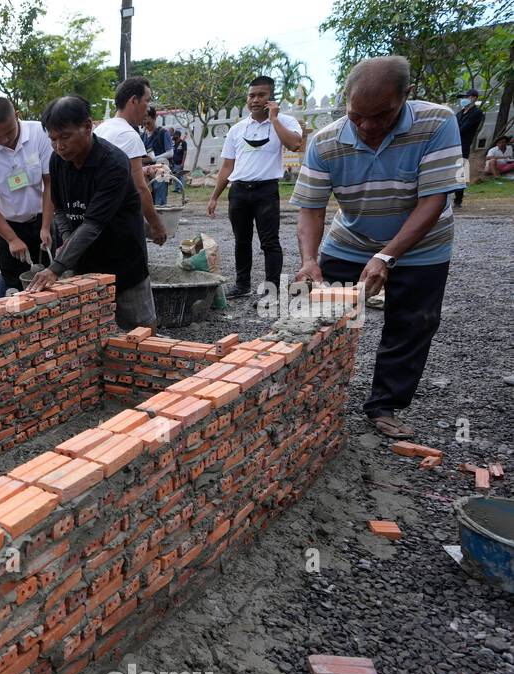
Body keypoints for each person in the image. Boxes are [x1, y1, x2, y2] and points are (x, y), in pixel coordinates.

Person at [293, 56, 463, 439]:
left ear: (405, 97)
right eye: (357, 116)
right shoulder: (325, 142)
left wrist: (387, 256)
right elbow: (311, 209)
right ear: (346, 102)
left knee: (411, 324)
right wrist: (309, 259)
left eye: (381, 115)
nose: (368, 126)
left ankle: (384, 405)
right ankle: (315, 393)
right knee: (325, 317)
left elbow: (434, 200)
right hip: (350, 242)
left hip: (423, 247)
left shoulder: (438, 122)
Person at [27, 96, 155, 331]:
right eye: (53, 139)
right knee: (90, 328)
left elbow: (93, 225)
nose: (59, 146)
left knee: (140, 330)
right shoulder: (57, 161)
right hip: (84, 260)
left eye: (65, 137)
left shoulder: (113, 163)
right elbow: (60, 209)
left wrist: (56, 267)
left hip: (122, 258)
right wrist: (67, 240)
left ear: (87, 127)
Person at [207, 75, 305, 298]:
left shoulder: (286, 122)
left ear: (271, 97)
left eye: (261, 95)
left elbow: (295, 144)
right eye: (251, 95)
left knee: (270, 242)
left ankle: (271, 290)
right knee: (241, 241)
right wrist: (214, 196)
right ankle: (242, 286)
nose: (255, 100)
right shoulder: (237, 130)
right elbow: (227, 166)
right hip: (239, 191)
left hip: (266, 191)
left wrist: (274, 118)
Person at [0, 97, 55, 297]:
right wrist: (11, 238)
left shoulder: (40, 134)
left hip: (41, 220)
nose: (4, 140)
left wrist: (46, 226)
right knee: (12, 283)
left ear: (17, 116)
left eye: (8, 133)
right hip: (7, 225)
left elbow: (49, 183)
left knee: (47, 280)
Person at [94, 77, 167, 249]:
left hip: (99, 217)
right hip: (120, 223)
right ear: (133, 100)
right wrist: (156, 225)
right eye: (147, 101)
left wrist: (147, 169)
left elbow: (116, 173)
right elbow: (139, 188)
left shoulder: (102, 129)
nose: (148, 108)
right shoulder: (128, 135)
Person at [453, 89, 484, 208]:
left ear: (474, 98)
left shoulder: (477, 113)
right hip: (453, 144)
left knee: (460, 171)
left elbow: (463, 129)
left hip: (464, 145)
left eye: (468, 96)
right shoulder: (460, 113)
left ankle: (458, 199)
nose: (465, 99)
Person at [141, 107, 174, 206]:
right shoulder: (142, 136)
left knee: (161, 168)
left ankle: (161, 209)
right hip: (146, 168)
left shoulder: (163, 133)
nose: (146, 126)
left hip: (160, 167)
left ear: (154, 118)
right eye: (144, 123)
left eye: (148, 123)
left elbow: (170, 152)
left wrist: (154, 159)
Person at [170, 130, 188, 195]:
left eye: (175, 136)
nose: (174, 137)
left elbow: (185, 153)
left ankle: (181, 189)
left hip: (179, 162)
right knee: (175, 176)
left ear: (178, 136)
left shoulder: (183, 143)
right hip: (174, 163)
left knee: (180, 176)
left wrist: (182, 163)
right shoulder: (174, 143)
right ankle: (176, 189)